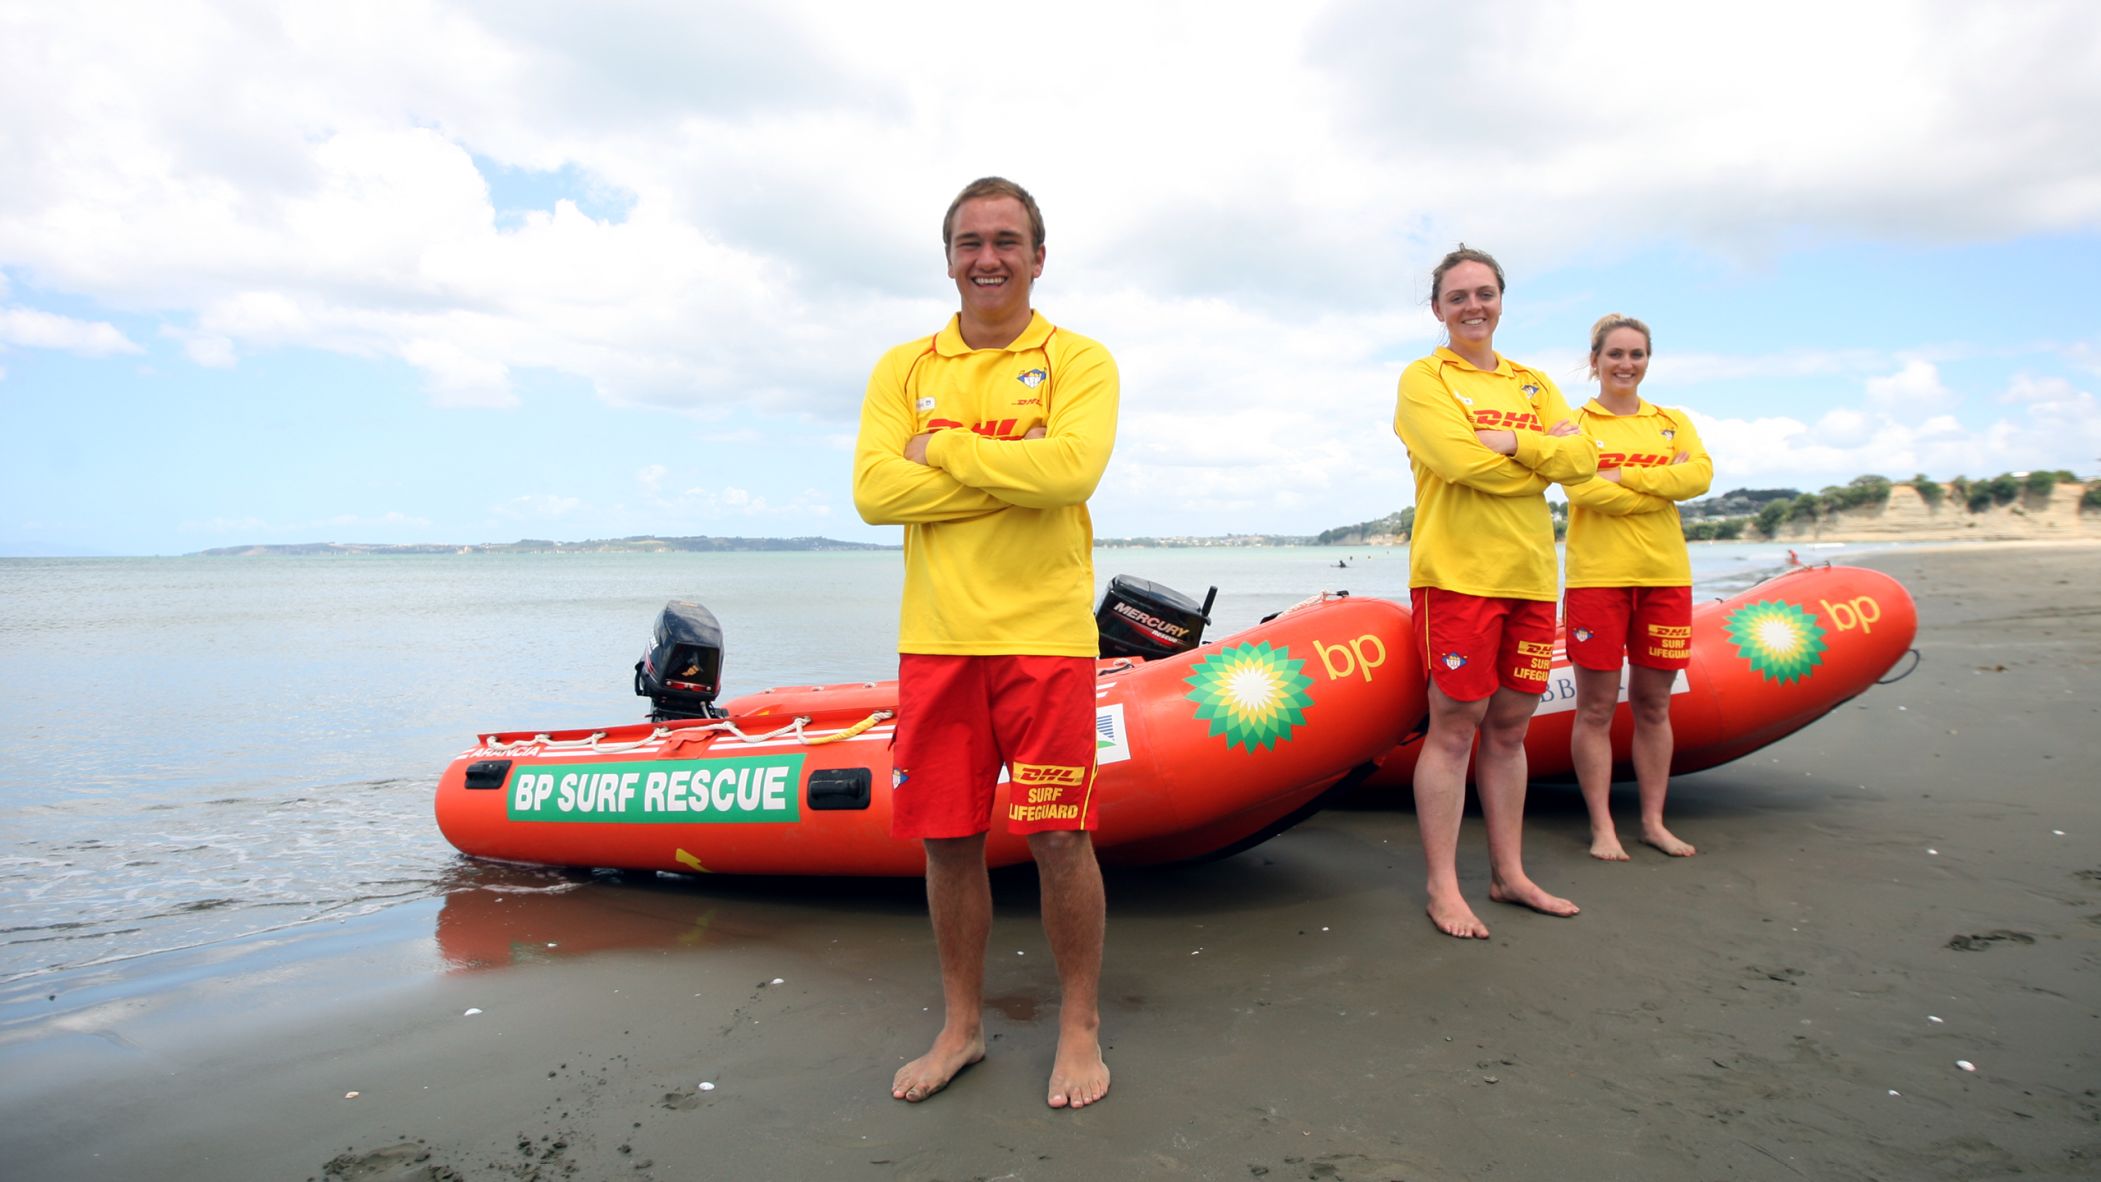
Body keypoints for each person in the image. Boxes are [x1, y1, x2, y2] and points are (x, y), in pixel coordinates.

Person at [851, 177, 1117, 1109]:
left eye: (1007, 240)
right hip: (937, 643)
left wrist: (947, 452)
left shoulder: (1079, 360)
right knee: (948, 841)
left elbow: (1073, 469)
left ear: (1038, 256)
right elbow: (875, 496)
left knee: (1058, 835)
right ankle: (961, 1026)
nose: (988, 257)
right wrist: (1017, 471)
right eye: (970, 242)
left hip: (1045, 641)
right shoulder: (903, 370)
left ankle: (1078, 1027)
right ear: (950, 257)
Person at [1393, 245, 1597, 939]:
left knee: (1509, 729)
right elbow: (1457, 463)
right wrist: (1537, 455)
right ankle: (1443, 887)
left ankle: (1508, 874)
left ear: (1500, 299)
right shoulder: (1424, 380)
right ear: (1437, 309)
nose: (1472, 306)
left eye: (1483, 293)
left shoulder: (1533, 384)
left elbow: (1583, 459)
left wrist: (1513, 442)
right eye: (1457, 297)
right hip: (1457, 579)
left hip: (1532, 577)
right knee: (1454, 729)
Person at [1561, 314, 1713, 859]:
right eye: (1615, 354)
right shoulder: (1573, 424)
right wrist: (1658, 488)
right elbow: (1581, 492)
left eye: (1637, 355)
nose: (1626, 364)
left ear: (1648, 360)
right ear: (1595, 360)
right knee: (1596, 708)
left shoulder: (1671, 422)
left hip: (1665, 576)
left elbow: (1698, 477)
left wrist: (1623, 476)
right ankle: (1602, 827)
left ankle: (1653, 822)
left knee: (1654, 706)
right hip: (1597, 579)